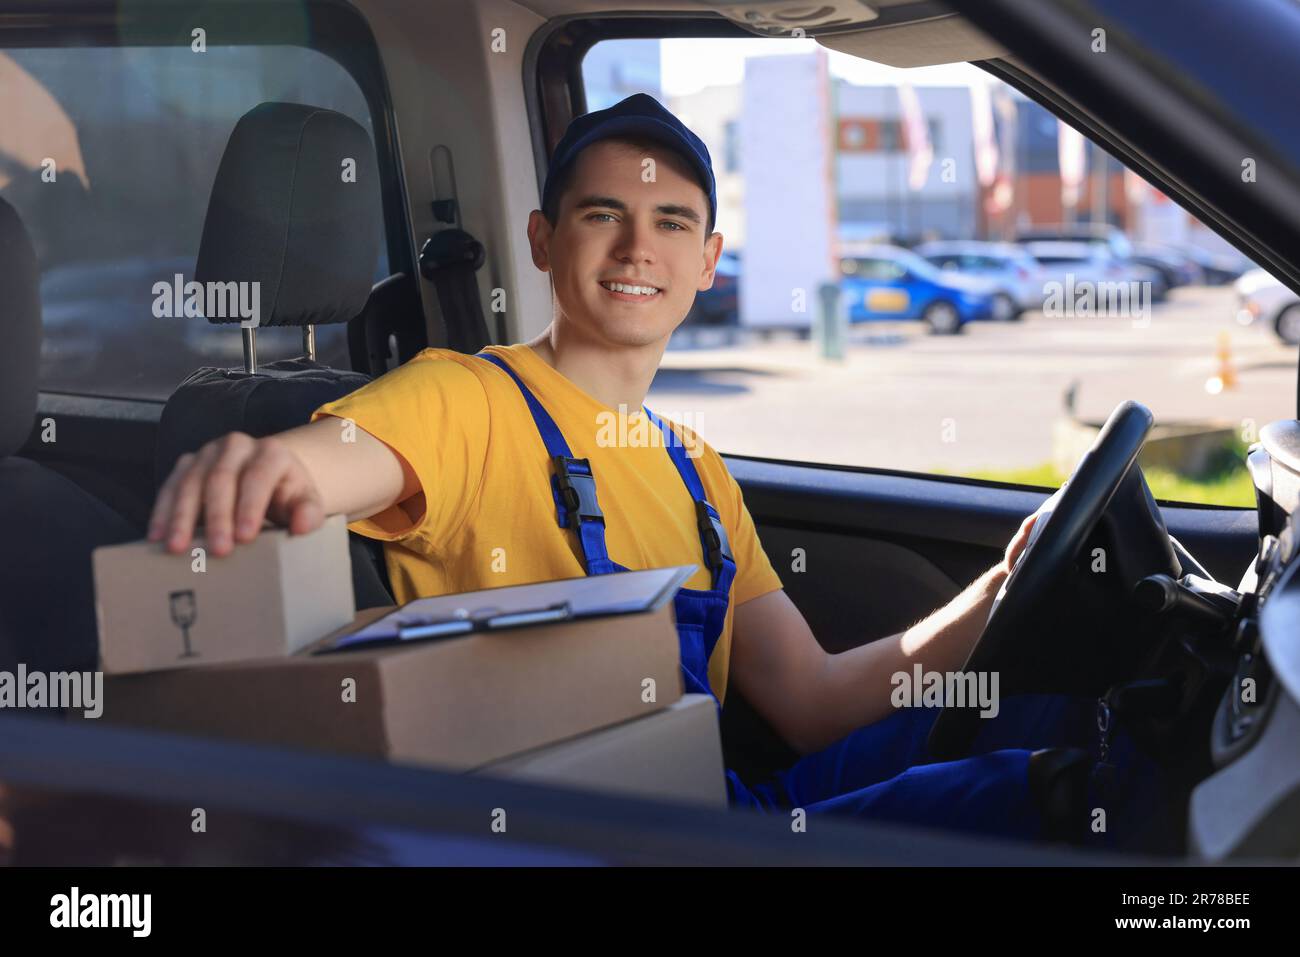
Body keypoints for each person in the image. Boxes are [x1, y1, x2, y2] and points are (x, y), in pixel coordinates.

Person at [148, 93, 1105, 843]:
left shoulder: (695, 468)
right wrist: (268, 467)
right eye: (603, 214)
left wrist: (1002, 589)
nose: (638, 246)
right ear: (541, 240)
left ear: (707, 260)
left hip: (718, 809)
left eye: (672, 223)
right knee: (1048, 794)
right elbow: (330, 464)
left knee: (1063, 702)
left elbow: (812, 704)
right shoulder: (463, 398)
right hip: (591, 840)